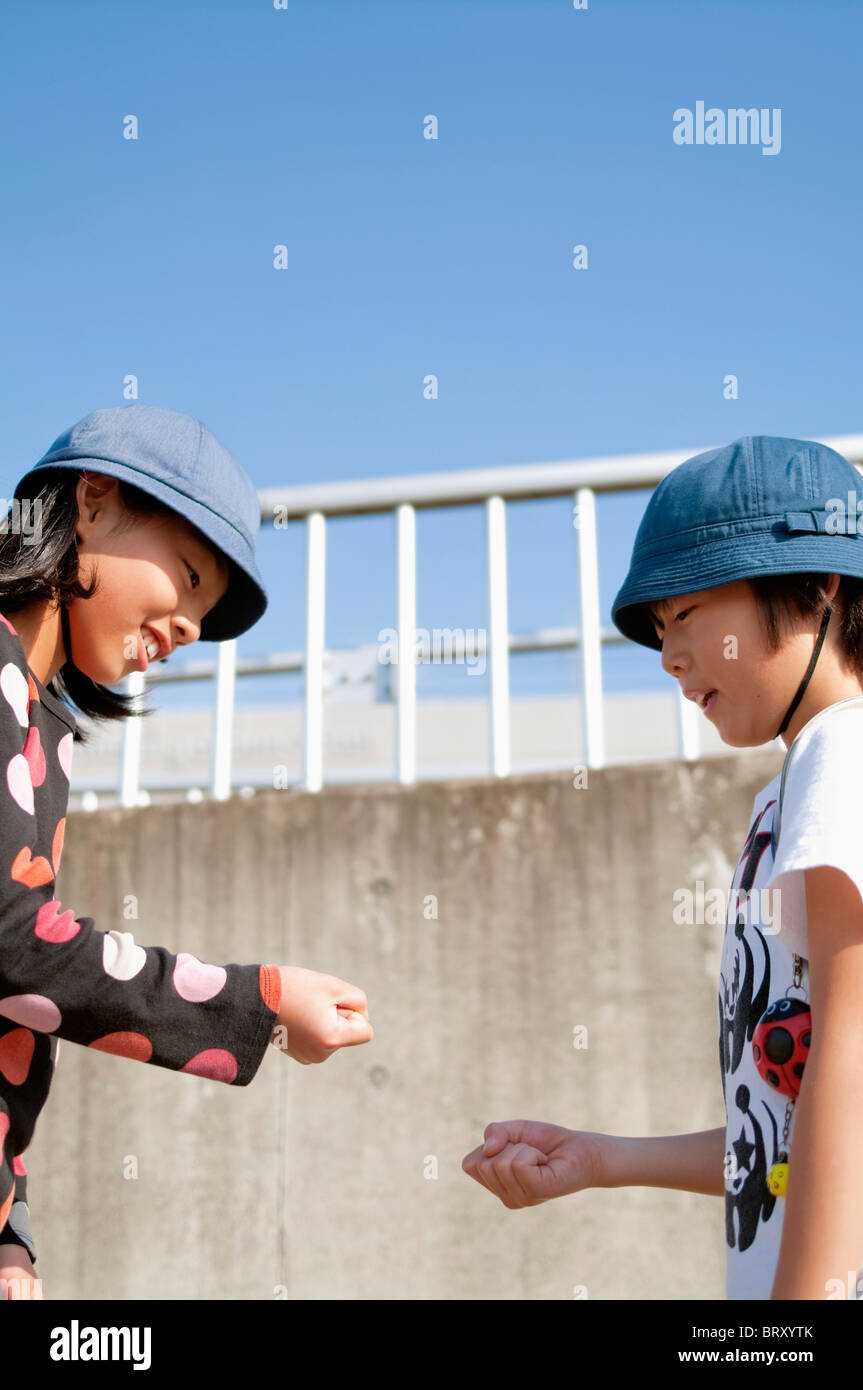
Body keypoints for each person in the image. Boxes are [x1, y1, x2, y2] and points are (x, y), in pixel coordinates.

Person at [462, 434, 863, 1301]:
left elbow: (852, 1063)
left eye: (687, 615)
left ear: (821, 584)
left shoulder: (846, 756)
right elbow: (784, 1130)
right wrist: (602, 1159)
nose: (669, 656)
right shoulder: (789, 789)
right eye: (657, 630)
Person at [0, 404, 374, 1300]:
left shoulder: (36, 714)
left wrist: (9, 1228)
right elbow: (13, 944)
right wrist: (259, 1000)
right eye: (191, 575)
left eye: (206, 611)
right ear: (91, 503)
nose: (190, 629)